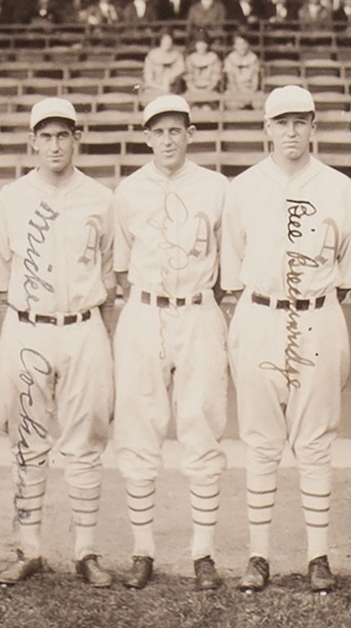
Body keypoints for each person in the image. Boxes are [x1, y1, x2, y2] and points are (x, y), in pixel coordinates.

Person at [220, 85, 351, 593]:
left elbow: (347, 270)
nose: (291, 132)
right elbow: (233, 267)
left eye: (301, 121)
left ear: (313, 127)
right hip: (259, 314)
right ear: (267, 128)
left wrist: (312, 307)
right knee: (260, 441)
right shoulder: (242, 187)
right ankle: (258, 555)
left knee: (316, 442)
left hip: (317, 315)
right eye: (281, 122)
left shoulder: (338, 186)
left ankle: (318, 556)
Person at [111, 95, 229, 591]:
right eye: (157, 132)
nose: (166, 140)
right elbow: (119, 267)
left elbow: (228, 265)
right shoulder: (129, 190)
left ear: (190, 133)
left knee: (202, 426)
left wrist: (203, 303)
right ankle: (143, 550)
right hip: (144, 310)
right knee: (140, 428)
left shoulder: (219, 188)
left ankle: (202, 552)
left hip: (199, 309)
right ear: (146, 137)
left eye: (175, 130)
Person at [0, 97, 117, 587]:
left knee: (85, 441)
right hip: (27, 325)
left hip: (84, 325)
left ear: (76, 139)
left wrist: (100, 337)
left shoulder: (101, 198)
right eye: (45, 135)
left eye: (62, 134)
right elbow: (3, 278)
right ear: (32, 142)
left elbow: (111, 275)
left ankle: (86, 550)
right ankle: (28, 549)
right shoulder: (9, 198)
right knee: (27, 442)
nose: (54, 144)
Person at [140, 30, 186, 103]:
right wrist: (160, 87)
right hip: (153, 89)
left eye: (169, 41)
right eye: (164, 41)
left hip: (172, 90)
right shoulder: (152, 56)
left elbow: (181, 70)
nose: (167, 43)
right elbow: (148, 79)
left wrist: (171, 78)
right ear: (160, 41)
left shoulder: (177, 55)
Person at [223, 33, 263, 109]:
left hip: (250, 89)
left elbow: (255, 79)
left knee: (259, 103)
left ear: (247, 45)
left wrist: (251, 94)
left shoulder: (253, 58)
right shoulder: (230, 59)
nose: (241, 47)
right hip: (235, 90)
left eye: (244, 44)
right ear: (234, 46)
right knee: (233, 104)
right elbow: (231, 81)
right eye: (238, 44)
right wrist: (239, 96)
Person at [183, 35, 224, 106]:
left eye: (204, 44)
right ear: (195, 45)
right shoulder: (190, 58)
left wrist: (208, 90)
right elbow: (188, 78)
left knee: (208, 108)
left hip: (210, 89)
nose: (201, 46)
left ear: (207, 45)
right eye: (199, 44)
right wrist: (194, 90)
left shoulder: (213, 57)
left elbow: (215, 77)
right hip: (193, 90)